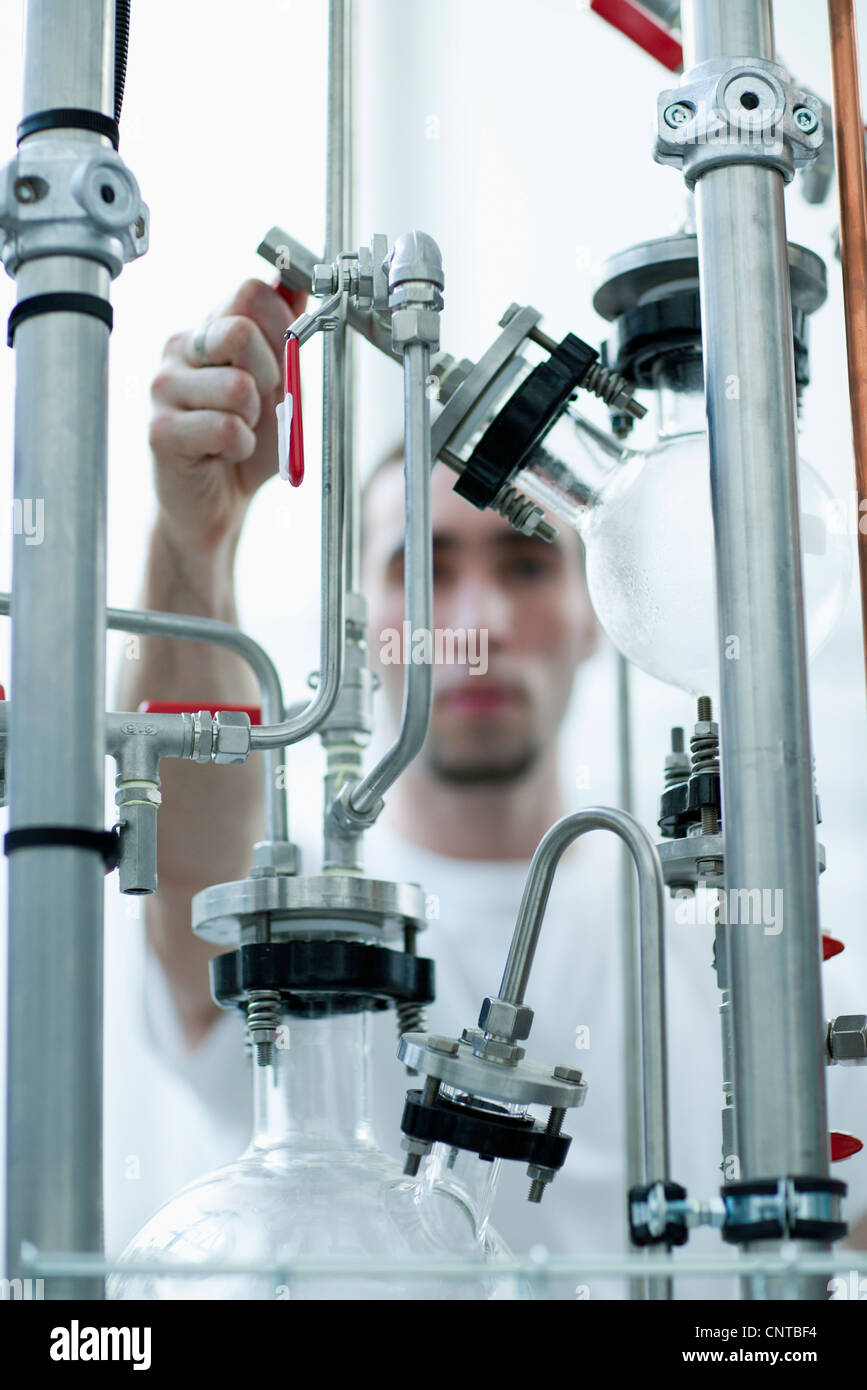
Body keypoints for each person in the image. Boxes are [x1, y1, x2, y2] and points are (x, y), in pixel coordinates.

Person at [104, 277, 863, 1299]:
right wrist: (194, 541)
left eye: (524, 561)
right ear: (361, 618)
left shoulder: (747, 916)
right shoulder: (317, 933)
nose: (477, 622)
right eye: (423, 565)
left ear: (603, 596)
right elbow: (191, 871)